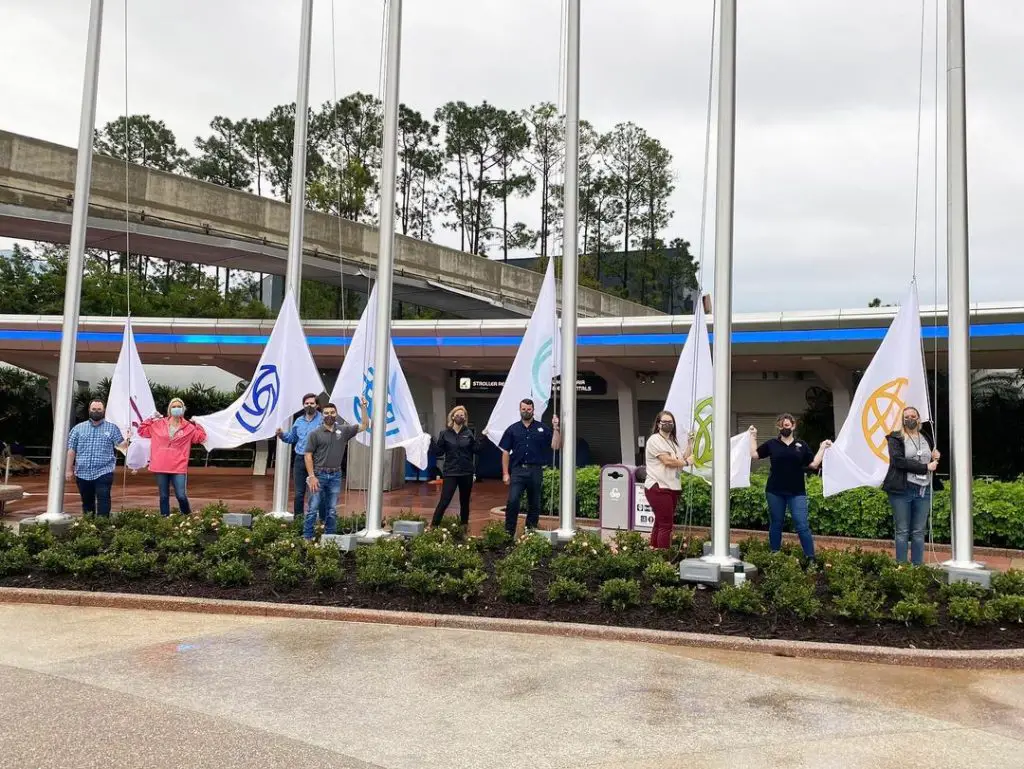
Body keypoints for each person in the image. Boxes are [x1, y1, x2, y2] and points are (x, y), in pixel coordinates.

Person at [749, 414, 831, 558]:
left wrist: (822, 447)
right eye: (781, 426)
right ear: (778, 427)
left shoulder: (801, 445)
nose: (784, 428)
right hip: (775, 491)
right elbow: (755, 454)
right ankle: (775, 555)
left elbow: (813, 464)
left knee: (802, 525)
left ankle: (811, 558)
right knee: (776, 524)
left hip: (797, 492)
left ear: (793, 426)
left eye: (787, 425)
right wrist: (753, 436)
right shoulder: (772, 444)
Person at [882, 406, 940, 565]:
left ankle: (916, 568)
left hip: (924, 489)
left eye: (913, 416)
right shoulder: (895, 438)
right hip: (902, 489)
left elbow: (931, 460)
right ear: (902, 420)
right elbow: (898, 461)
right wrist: (924, 467)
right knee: (902, 531)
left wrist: (936, 457)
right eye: (906, 417)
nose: (909, 419)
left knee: (919, 532)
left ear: (918, 419)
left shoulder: (926, 436)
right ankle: (901, 568)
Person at [303, 399, 368, 540]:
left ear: (336, 414)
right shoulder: (315, 434)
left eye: (332, 412)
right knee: (313, 509)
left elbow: (364, 425)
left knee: (332, 510)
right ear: (322, 415)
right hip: (319, 474)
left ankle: (330, 538)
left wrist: (363, 408)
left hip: (335, 475)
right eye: (326, 413)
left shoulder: (344, 430)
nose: (329, 415)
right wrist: (312, 476)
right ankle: (307, 537)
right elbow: (307, 455)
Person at [498, 398, 561, 537]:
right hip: (518, 470)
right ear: (520, 410)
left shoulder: (542, 428)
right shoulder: (512, 429)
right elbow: (505, 452)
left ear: (533, 410)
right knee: (513, 500)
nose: (526, 411)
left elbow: (555, 446)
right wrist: (505, 473)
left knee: (535, 503)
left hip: (535, 470)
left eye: (529, 409)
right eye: (523, 409)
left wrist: (556, 428)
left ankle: (530, 533)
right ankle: (508, 533)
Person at [138, 398, 207, 517]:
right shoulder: (158, 424)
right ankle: (164, 520)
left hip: (178, 466)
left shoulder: (188, 427)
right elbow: (142, 431)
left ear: (183, 409)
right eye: (173, 407)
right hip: (160, 465)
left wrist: (198, 425)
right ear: (169, 409)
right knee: (163, 496)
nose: (176, 409)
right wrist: (151, 419)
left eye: (178, 406)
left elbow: (200, 437)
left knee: (181, 495)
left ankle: (187, 516)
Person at [65, 400, 128, 517]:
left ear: (103, 411)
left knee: (104, 499)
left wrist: (128, 440)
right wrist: (69, 469)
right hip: (82, 473)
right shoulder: (78, 429)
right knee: (87, 502)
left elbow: (121, 446)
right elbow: (71, 450)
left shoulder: (112, 428)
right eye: (94, 409)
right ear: (89, 410)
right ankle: (90, 526)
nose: (96, 412)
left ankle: (102, 525)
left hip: (104, 471)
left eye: (99, 410)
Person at [644, 410, 694, 549]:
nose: (667, 424)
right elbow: (667, 461)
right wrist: (687, 463)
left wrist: (690, 444)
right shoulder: (655, 440)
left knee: (660, 523)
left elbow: (680, 459)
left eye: (670, 422)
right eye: (664, 422)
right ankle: (663, 560)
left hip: (672, 487)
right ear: (658, 424)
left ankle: (654, 552)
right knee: (666, 526)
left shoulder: (672, 442)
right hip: (659, 487)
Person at [430, 405, 483, 529]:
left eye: (462, 415)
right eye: (458, 415)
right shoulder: (445, 434)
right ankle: (433, 526)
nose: (460, 417)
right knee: (445, 500)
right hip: (451, 472)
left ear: (465, 418)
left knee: (465, 502)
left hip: (466, 472)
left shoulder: (469, 433)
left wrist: (484, 437)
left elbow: (476, 449)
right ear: (453, 416)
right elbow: (439, 452)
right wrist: (430, 442)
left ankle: (464, 527)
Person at [275, 393, 322, 516]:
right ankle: (299, 520)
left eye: (312, 403)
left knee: (315, 491)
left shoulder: (322, 420)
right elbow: (292, 438)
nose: (309, 405)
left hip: (316, 459)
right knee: (299, 493)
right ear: (303, 405)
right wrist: (281, 435)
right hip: (300, 459)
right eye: (307, 403)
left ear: (317, 405)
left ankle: (314, 520)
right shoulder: (298, 421)